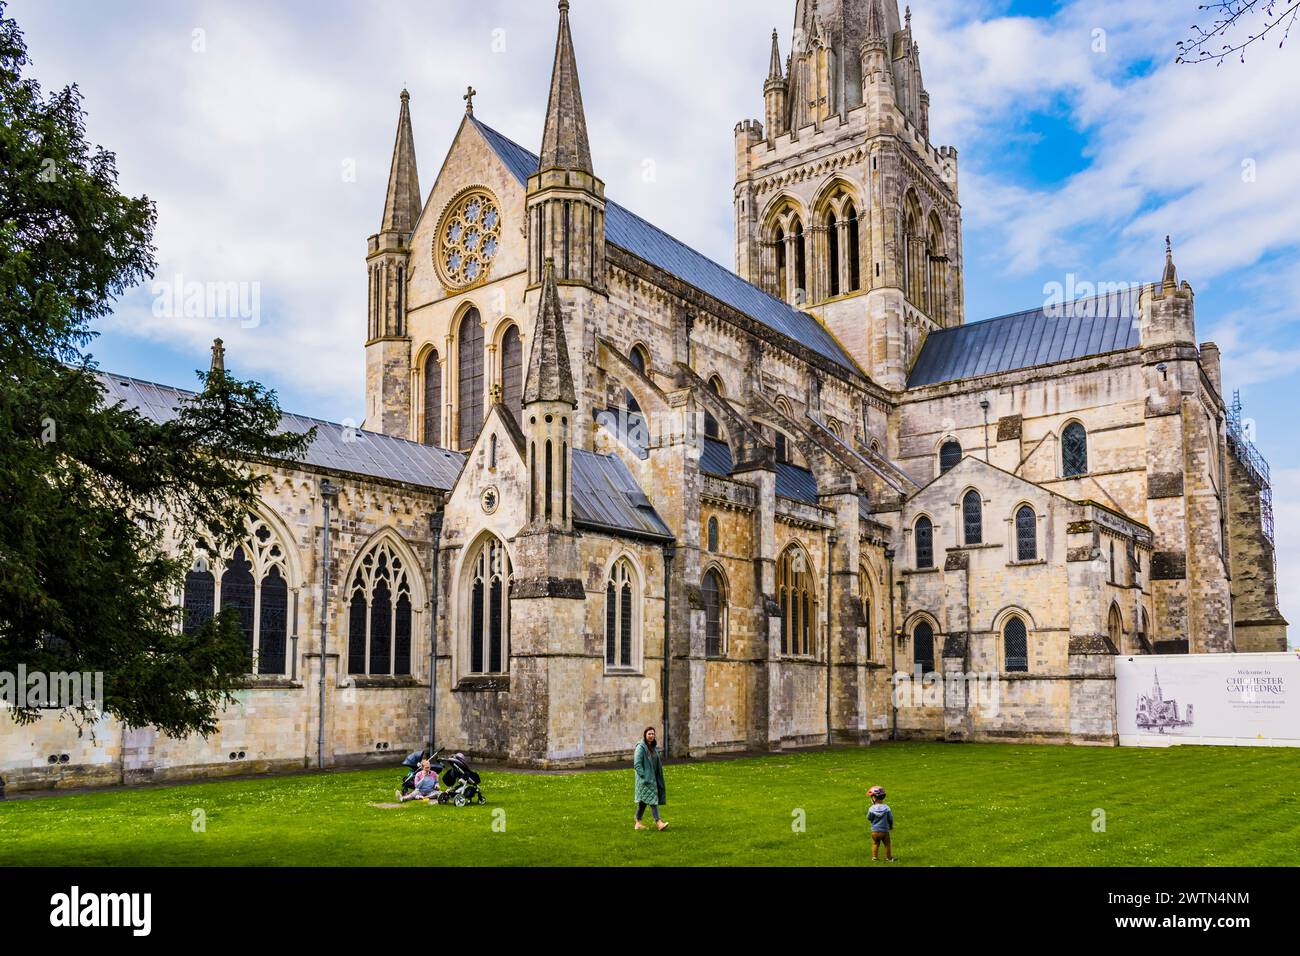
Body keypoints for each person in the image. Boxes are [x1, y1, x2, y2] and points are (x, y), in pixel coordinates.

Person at [632, 727, 668, 831]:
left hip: (653, 778)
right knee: (653, 801)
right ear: (645, 735)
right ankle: (659, 822)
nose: (651, 736)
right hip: (645, 780)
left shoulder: (653, 747)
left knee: (643, 802)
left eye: (653, 734)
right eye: (649, 734)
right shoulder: (641, 747)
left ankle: (638, 822)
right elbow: (637, 764)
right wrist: (644, 776)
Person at [866, 785, 894, 861]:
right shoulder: (887, 808)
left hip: (874, 831)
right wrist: (891, 826)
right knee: (887, 844)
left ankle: (874, 857)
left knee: (875, 843)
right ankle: (889, 858)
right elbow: (890, 819)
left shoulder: (871, 809)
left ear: (874, 798)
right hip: (884, 831)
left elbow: (869, 817)